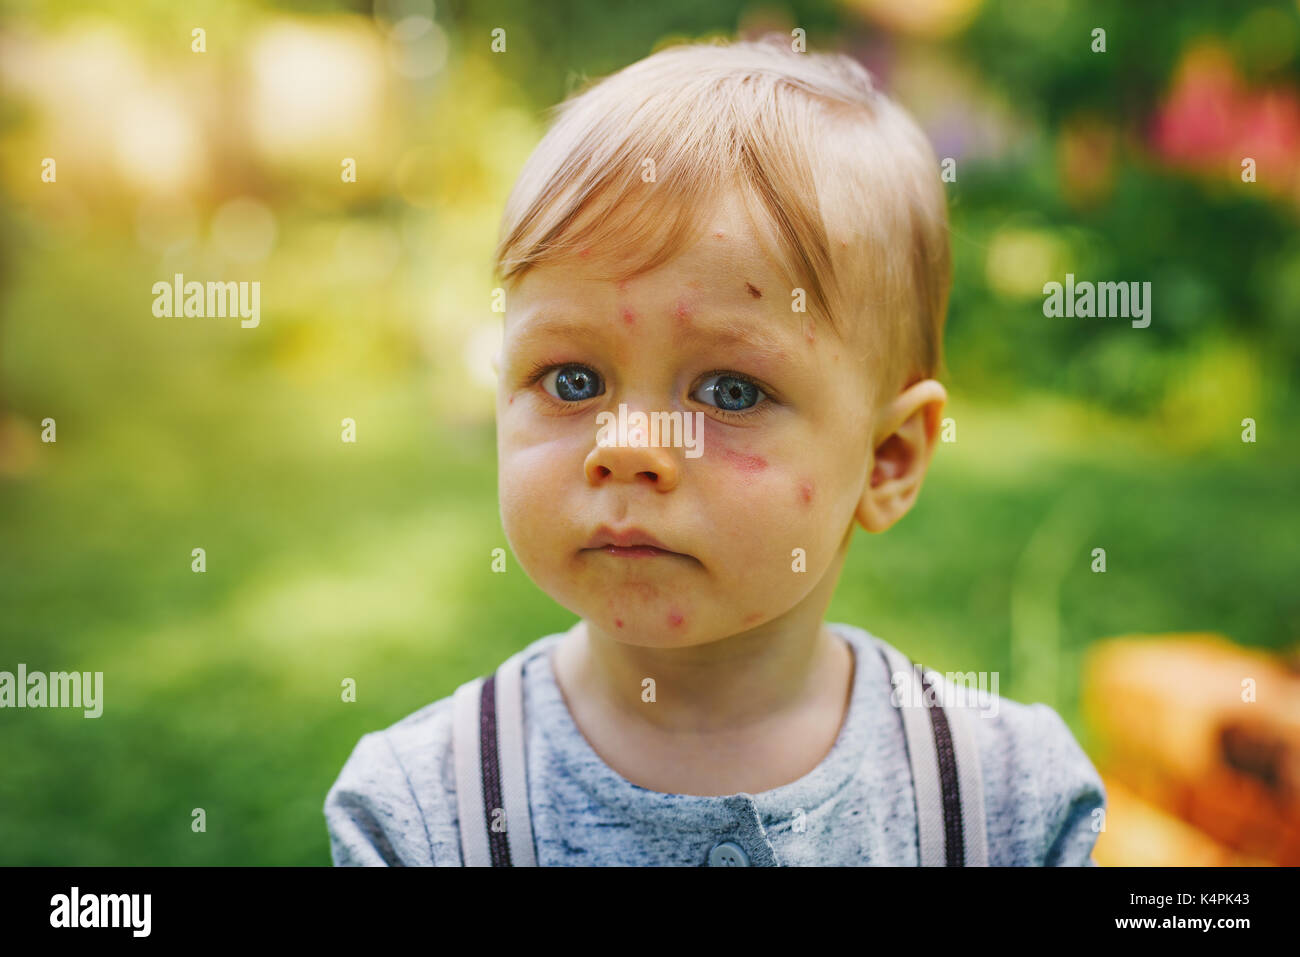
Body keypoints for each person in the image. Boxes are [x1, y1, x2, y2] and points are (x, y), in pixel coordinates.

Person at [324, 34, 1106, 866]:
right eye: (572, 379)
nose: (626, 450)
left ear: (888, 459)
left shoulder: (1000, 801)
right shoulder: (425, 811)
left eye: (729, 392)